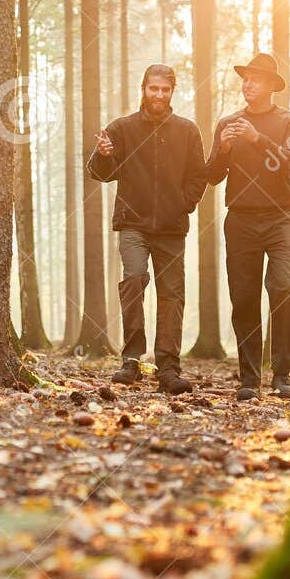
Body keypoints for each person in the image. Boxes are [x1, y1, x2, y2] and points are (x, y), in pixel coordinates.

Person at [87, 64, 207, 392]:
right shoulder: (122, 128)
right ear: (143, 89)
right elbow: (100, 173)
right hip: (133, 223)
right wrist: (104, 155)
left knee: (171, 295)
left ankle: (168, 368)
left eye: (165, 89)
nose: (158, 95)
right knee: (135, 279)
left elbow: (199, 175)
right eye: (153, 88)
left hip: (171, 227)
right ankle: (133, 361)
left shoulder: (187, 130)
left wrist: (184, 203)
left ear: (172, 92)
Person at [206, 53, 290, 401]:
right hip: (241, 219)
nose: (248, 83)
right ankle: (249, 379)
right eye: (245, 78)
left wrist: (256, 139)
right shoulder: (228, 123)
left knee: (285, 287)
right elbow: (213, 176)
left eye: (256, 79)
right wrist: (224, 148)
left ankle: (282, 375)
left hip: (281, 218)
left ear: (271, 87)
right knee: (244, 298)